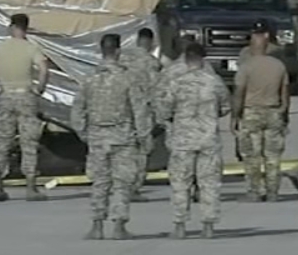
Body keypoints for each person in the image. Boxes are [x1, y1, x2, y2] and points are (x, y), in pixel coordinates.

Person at [72, 33, 151, 240]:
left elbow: (78, 109)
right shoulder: (128, 78)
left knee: (100, 182)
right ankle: (118, 226)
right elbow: (139, 109)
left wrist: (83, 132)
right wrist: (144, 136)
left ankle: (96, 226)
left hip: (97, 137)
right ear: (118, 51)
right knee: (122, 183)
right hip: (123, 137)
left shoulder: (89, 79)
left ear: (101, 51)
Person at [0, 12, 50, 201]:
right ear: (26, 28)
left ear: (11, 27)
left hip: (6, 95)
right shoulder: (31, 48)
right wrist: (40, 87)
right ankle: (31, 188)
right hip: (26, 95)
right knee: (29, 142)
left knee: (2, 142)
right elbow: (44, 68)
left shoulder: (0, 48)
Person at [158, 41, 230, 239]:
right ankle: (208, 225)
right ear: (203, 59)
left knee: (181, 183)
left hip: (183, 140)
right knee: (209, 183)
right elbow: (225, 108)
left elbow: (164, 110)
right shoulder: (214, 81)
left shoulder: (176, 83)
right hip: (208, 139)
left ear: (186, 59)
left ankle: (180, 225)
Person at [231, 30, 289, 202]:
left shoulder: (246, 67)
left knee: (252, 155)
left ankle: (254, 191)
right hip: (273, 111)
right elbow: (285, 91)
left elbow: (239, 92)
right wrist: (284, 111)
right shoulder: (278, 65)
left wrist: (235, 116)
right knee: (273, 156)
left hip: (251, 113)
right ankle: (273, 191)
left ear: (251, 46)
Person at [117, 26, 161, 200]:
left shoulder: (122, 58)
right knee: (142, 149)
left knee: (122, 148)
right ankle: (134, 187)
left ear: (137, 40)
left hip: (120, 109)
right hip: (141, 111)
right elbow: (156, 89)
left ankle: (119, 184)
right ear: (150, 43)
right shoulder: (151, 63)